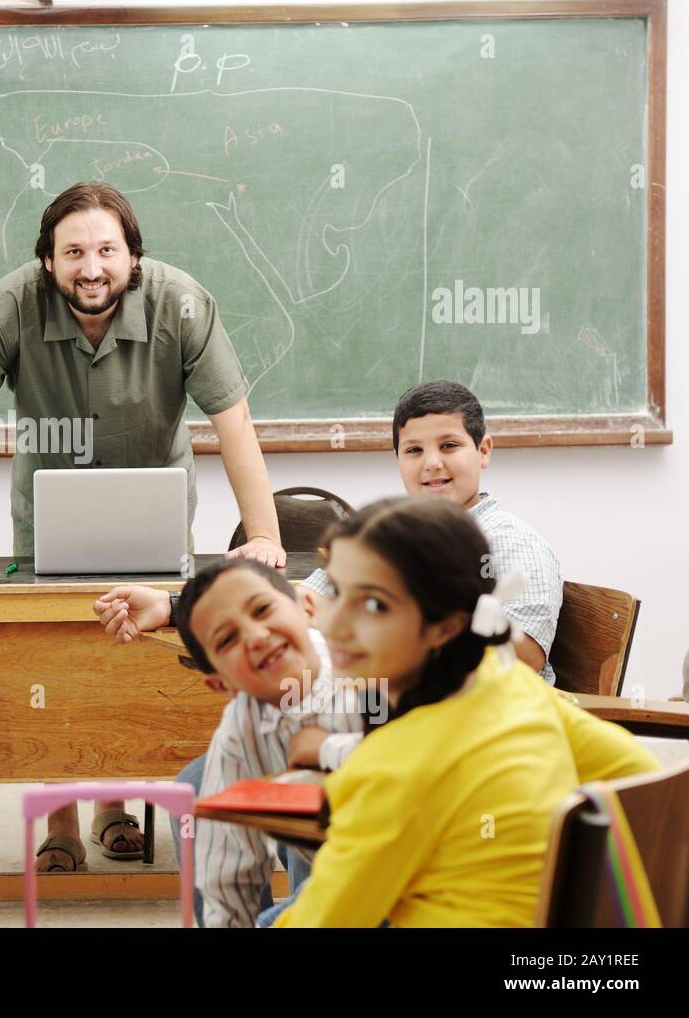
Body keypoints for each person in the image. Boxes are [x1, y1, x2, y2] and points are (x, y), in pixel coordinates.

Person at [0, 180, 285, 870]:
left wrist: (264, 534)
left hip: (154, 502)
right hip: (48, 511)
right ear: (48, 262)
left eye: (108, 249)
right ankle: (60, 822)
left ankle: (113, 803)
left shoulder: (183, 303)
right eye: (73, 251)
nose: (91, 266)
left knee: (130, 645)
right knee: (56, 651)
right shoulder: (7, 305)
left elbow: (235, 424)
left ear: (134, 256)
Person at [272, 497, 658, 927]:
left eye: (375, 605)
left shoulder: (394, 765)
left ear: (446, 626)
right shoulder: (502, 678)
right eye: (337, 592)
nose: (332, 624)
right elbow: (637, 773)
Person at [301, 380, 562, 683]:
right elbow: (308, 600)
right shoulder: (385, 536)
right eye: (413, 450)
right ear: (397, 458)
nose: (433, 463)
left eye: (449, 446)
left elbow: (524, 653)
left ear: (483, 450)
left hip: (483, 713)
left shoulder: (512, 541)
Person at [174, 558, 366, 927]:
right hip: (346, 884)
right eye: (228, 639)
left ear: (306, 607)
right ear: (220, 684)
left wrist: (324, 752)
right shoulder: (238, 730)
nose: (256, 636)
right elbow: (226, 874)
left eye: (263, 610)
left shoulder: (375, 665)